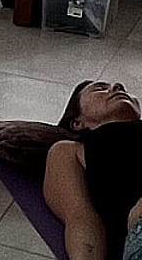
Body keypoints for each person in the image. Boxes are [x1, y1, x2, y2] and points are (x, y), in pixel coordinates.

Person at [45, 79, 142, 260]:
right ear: (77, 122)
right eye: (100, 89)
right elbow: (81, 219)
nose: (118, 86)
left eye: (123, 88)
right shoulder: (70, 150)